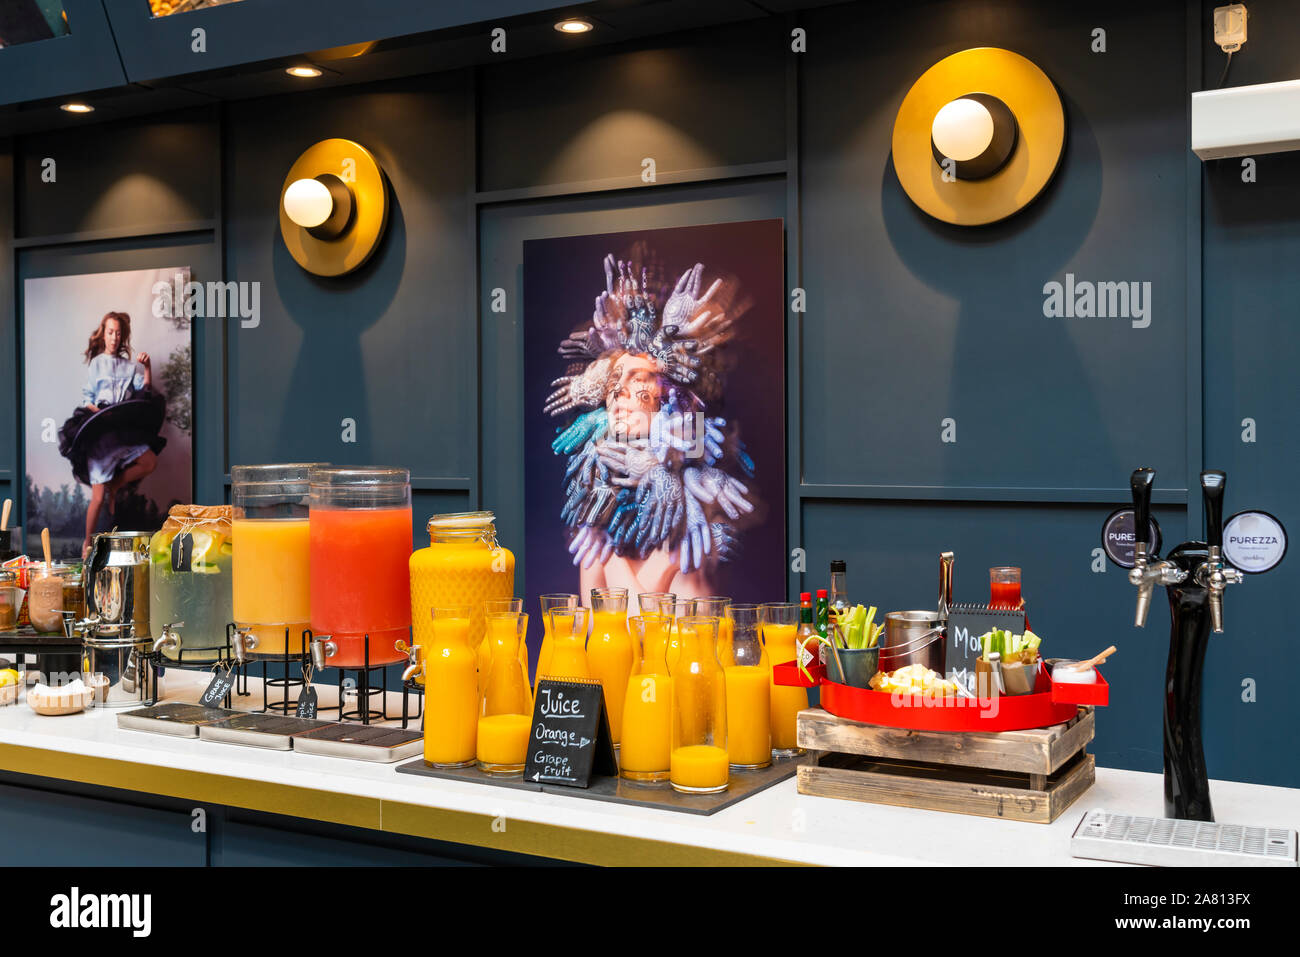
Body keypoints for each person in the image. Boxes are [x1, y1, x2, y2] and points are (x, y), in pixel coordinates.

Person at [547, 253, 758, 601]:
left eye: (639, 381)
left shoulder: (699, 516)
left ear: (670, 399)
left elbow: (684, 634)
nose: (620, 395)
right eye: (615, 383)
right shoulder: (595, 511)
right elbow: (593, 632)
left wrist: (667, 561)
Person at [57, 312, 164, 557]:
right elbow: (88, 398)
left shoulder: (129, 367)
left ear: (122, 336)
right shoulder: (96, 363)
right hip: (100, 432)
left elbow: (145, 390)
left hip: (121, 429)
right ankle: (86, 545)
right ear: (103, 334)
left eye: (118, 333)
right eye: (110, 332)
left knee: (149, 461)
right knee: (96, 497)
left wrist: (146, 367)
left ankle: (115, 485)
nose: (114, 337)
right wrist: (98, 413)